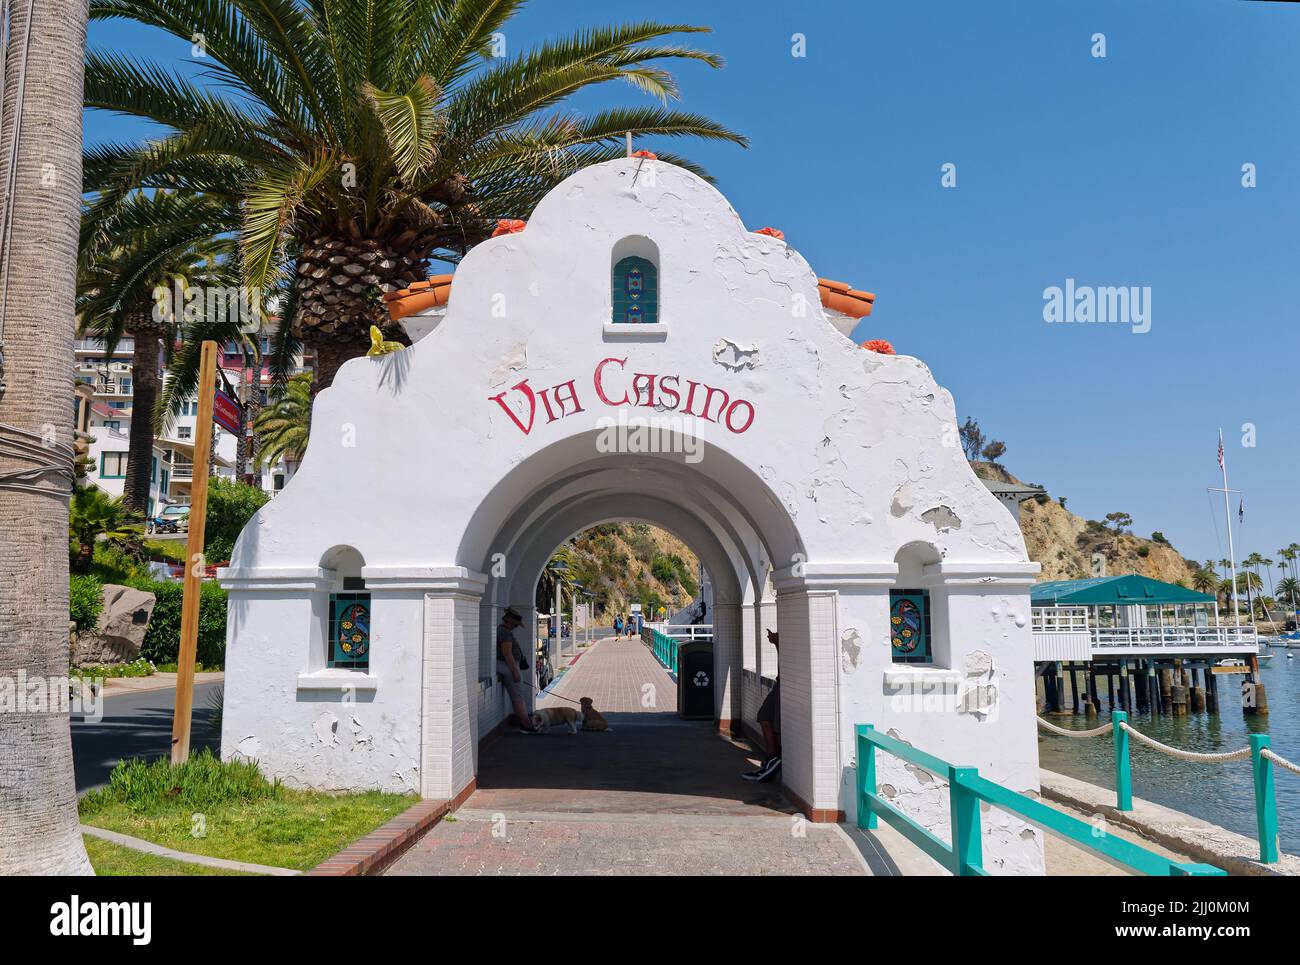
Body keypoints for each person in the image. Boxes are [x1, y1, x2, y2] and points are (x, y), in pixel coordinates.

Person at [743, 629, 781, 781]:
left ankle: (774, 758)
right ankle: (772, 757)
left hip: (786, 685)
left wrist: (777, 642)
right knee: (764, 716)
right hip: (780, 683)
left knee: (770, 719)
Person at [497, 608, 539, 734]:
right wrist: (515, 671)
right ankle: (526, 724)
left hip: (506, 665)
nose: (516, 627)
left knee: (518, 696)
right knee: (518, 697)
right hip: (507, 666)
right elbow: (507, 653)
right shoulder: (505, 633)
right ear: (510, 623)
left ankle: (525, 722)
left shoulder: (502, 630)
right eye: (515, 625)